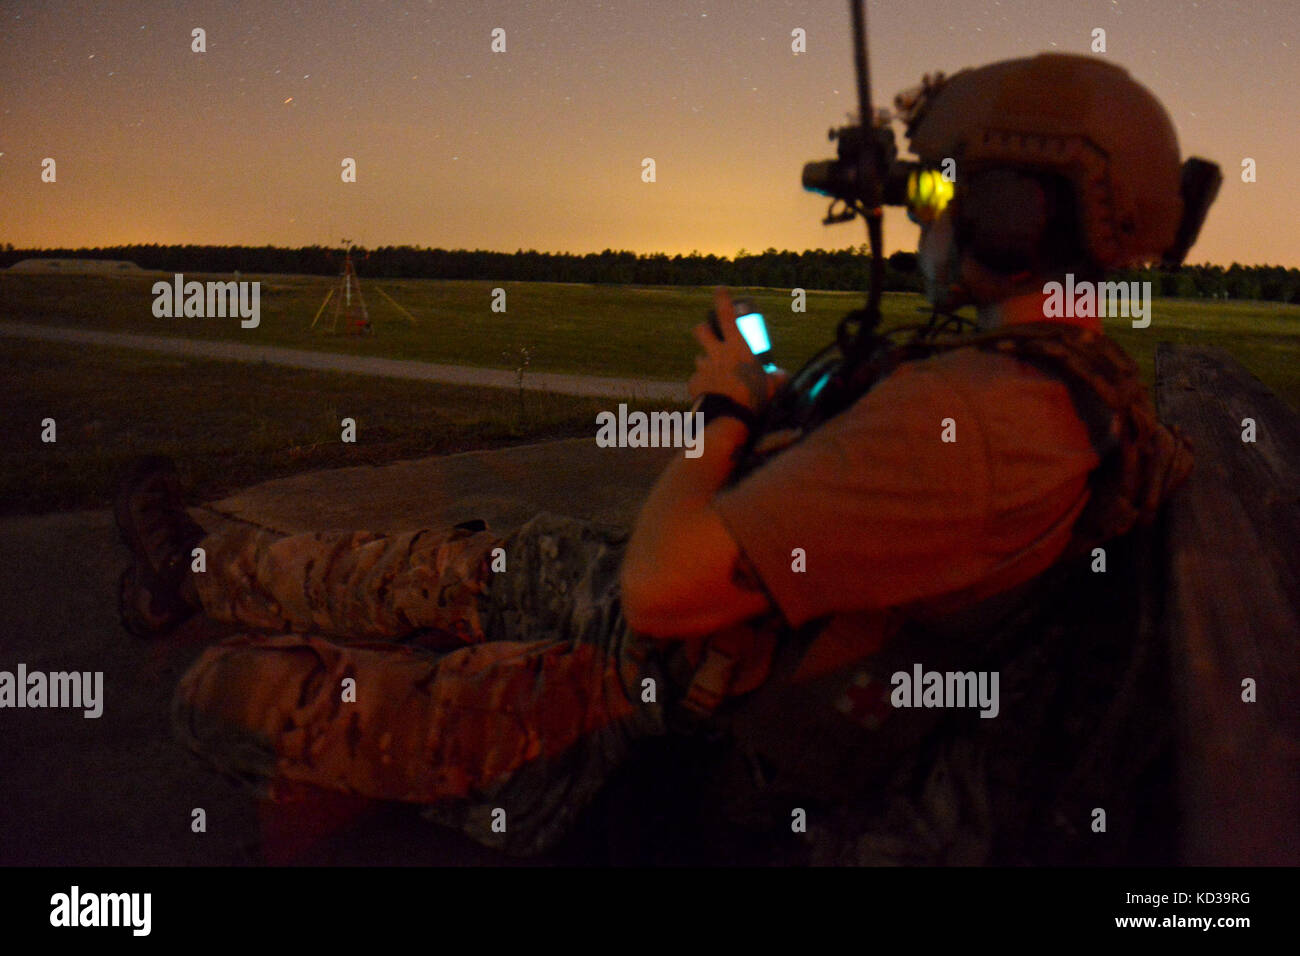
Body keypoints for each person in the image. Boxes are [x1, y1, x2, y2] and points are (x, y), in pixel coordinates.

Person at [116, 52, 1203, 861]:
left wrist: (726, 411)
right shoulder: (1046, 380)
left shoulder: (985, 417)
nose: (925, 216)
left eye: (942, 189)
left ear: (1017, 216)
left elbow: (662, 583)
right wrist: (783, 408)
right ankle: (202, 569)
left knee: (227, 693)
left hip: (661, 695)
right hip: (711, 637)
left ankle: (228, 609)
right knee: (441, 562)